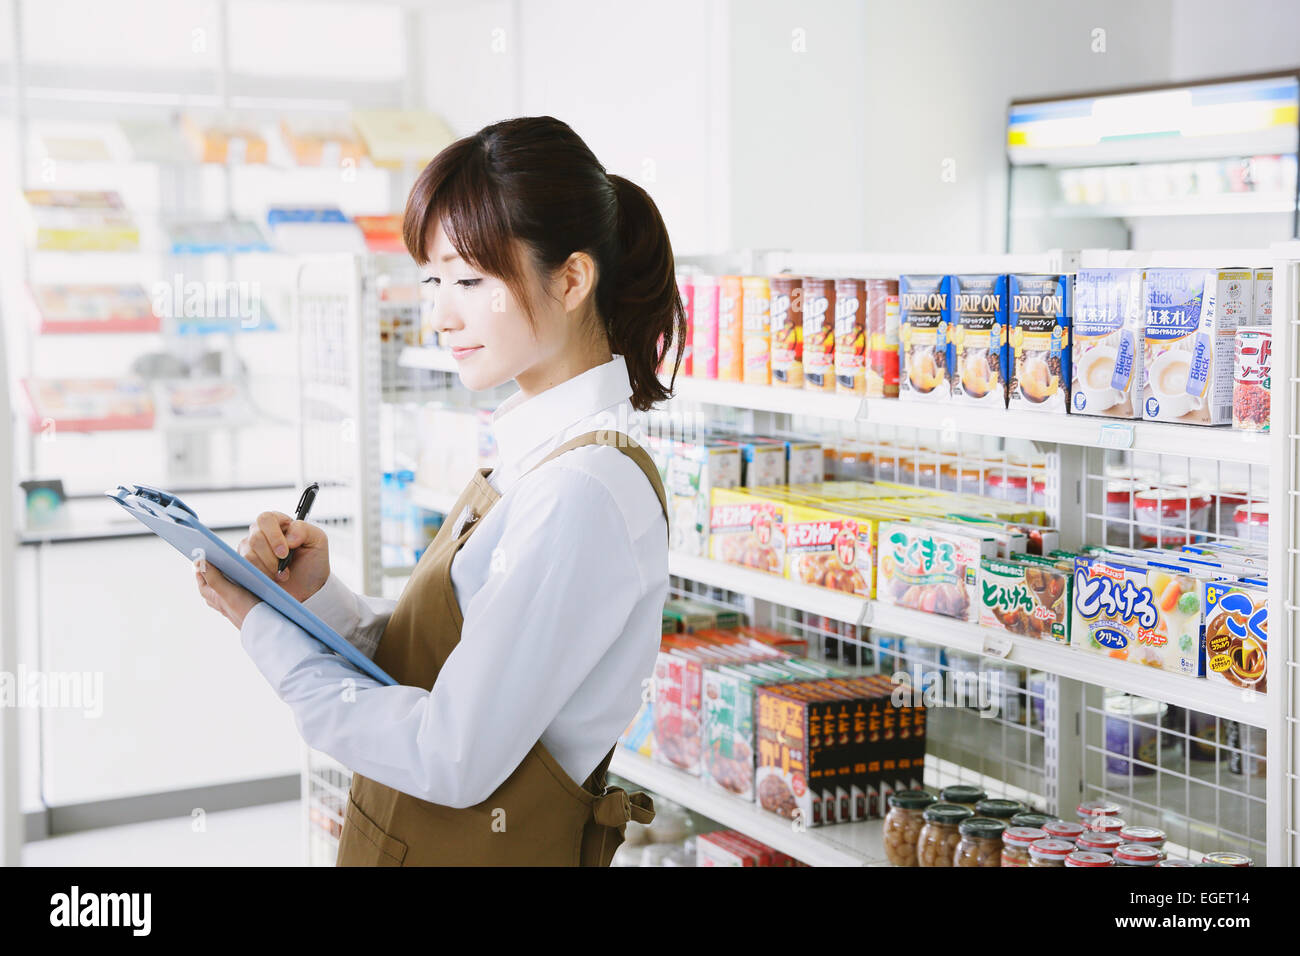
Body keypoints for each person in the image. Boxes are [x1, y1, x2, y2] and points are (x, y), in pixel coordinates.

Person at [194, 115, 685, 865]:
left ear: (573, 278)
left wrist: (267, 631)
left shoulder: (581, 492)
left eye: (470, 280)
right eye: (432, 278)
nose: (441, 315)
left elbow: (451, 755)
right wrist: (318, 600)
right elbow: (446, 663)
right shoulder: (538, 457)